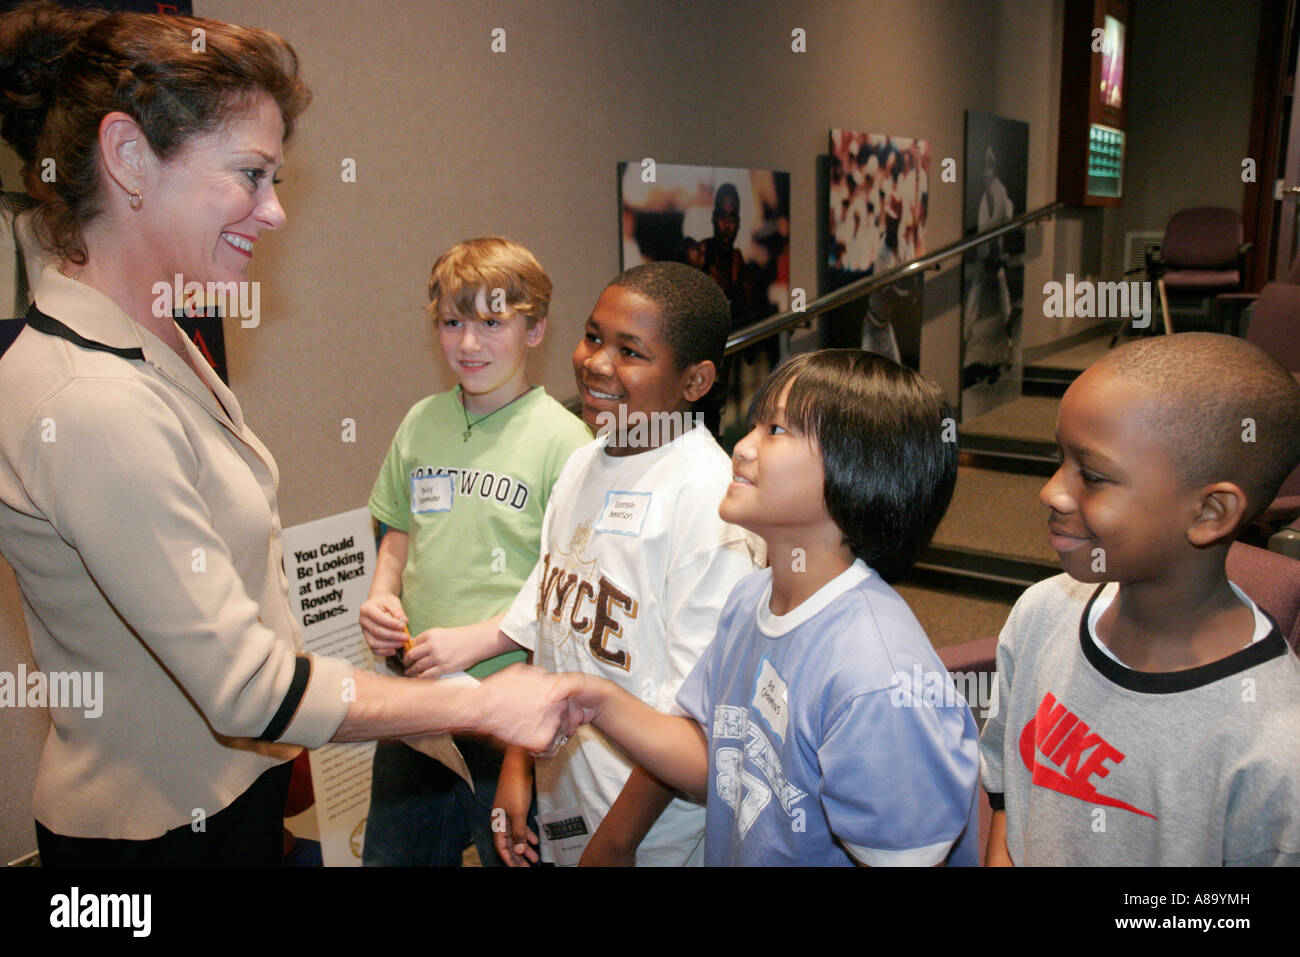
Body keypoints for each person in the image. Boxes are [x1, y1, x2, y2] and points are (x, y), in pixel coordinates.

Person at [0, 1, 571, 866]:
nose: (273, 212)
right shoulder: (88, 400)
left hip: (236, 797)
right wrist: (481, 705)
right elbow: (248, 690)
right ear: (128, 158)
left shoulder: (158, 338)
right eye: (250, 175)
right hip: (156, 838)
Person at [554, 349, 981, 865]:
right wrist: (595, 699)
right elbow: (711, 759)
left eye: (776, 430)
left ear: (859, 471)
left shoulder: (875, 676)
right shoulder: (750, 598)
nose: (742, 448)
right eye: (755, 426)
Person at [408, 261, 765, 865]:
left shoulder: (711, 505)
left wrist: (616, 842)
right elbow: (550, 641)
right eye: (594, 337)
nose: (597, 362)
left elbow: (693, 722)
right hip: (566, 798)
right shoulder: (584, 462)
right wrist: (519, 765)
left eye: (631, 351)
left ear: (695, 381)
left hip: (650, 836)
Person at [980, 333, 1300, 866]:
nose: (1052, 492)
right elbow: (1009, 796)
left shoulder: (1274, 745)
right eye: (1059, 459)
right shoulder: (1041, 614)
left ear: (1209, 513)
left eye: (1094, 476)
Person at [358, 237, 591, 866]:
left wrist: (485, 638)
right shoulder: (421, 422)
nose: (468, 344)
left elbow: (567, 584)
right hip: (417, 707)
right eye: (452, 323)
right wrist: (382, 592)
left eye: (492, 323)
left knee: (512, 855)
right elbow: (398, 529)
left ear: (535, 328)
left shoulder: (565, 443)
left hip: (508, 712)